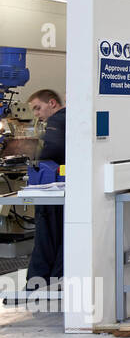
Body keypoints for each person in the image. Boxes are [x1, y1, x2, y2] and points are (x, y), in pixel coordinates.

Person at [24, 89, 65, 290]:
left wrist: (32, 156)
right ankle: (55, 280)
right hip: (64, 185)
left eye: (38, 108)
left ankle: (35, 283)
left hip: (51, 186)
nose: (37, 114)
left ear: (52, 103)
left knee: (46, 235)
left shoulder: (57, 121)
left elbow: (53, 149)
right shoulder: (72, 118)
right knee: (61, 236)